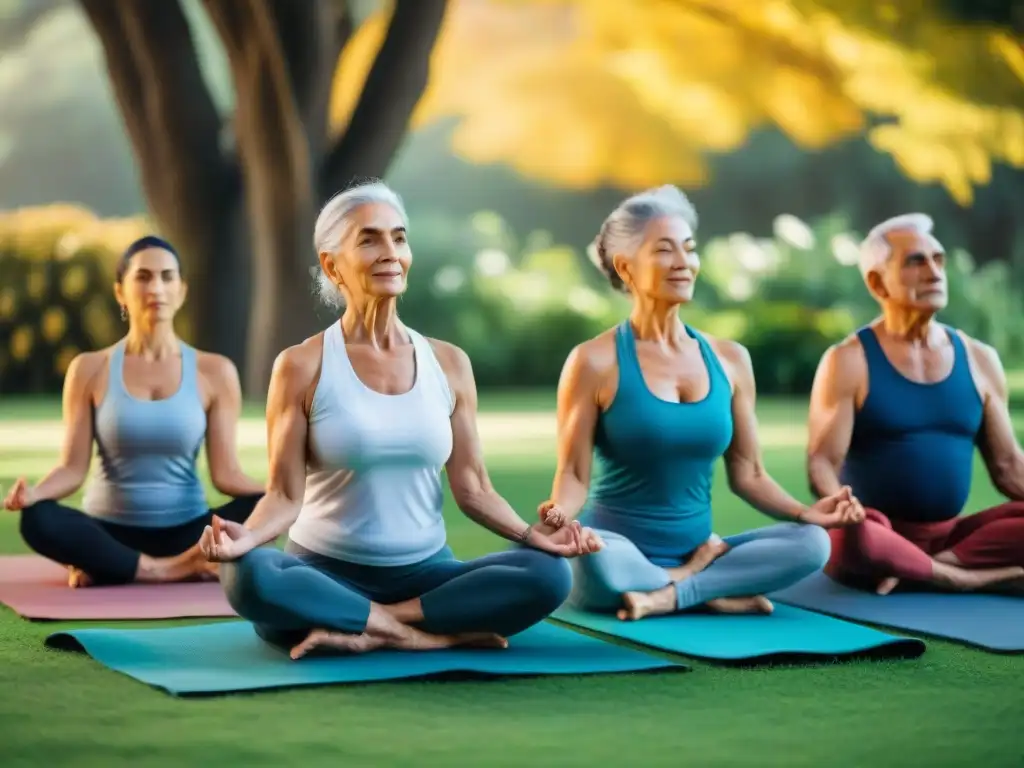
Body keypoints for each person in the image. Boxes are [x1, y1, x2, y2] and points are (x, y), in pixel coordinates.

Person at [200, 180, 602, 660]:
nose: (390, 251)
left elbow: (473, 486)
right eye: (369, 239)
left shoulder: (449, 364)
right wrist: (247, 537)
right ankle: (424, 634)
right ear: (332, 265)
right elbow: (285, 495)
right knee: (249, 575)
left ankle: (371, 625)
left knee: (549, 574)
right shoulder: (302, 365)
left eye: (399, 236)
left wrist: (528, 535)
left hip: (425, 576)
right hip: (323, 574)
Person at [535, 185, 863, 622]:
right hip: (619, 552)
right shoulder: (594, 361)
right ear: (626, 267)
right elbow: (574, 475)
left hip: (701, 545)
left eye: (689, 249)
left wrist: (806, 512)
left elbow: (749, 473)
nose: (684, 262)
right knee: (597, 561)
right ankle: (703, 584)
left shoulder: (730, 360)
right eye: (665, 250)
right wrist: (556, 518)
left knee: (813, 543)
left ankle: (670, 592)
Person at [3, 236, 265, 587]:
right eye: (143, 277)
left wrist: (277, 494)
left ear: (182, 290)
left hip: (187, 533)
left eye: (167, 277)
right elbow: (71, 468)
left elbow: (227, 473)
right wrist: (34, 495)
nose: (156, 286)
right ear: (120, 291)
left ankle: (116, 568)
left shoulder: (215, 371)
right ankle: (168, 568)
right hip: (108, 532)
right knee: (37, 518)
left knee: (264, 508)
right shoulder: (90, 369)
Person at [807, 213, 1024, 596]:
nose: (934, 271)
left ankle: (926, 568)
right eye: (915, 261)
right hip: (875, 531)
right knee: (852, 536)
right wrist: (842, 508)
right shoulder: (848, 360)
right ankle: (964, 578)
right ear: (877, 282)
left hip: (952, 537)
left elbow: (1008, 467)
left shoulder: (981, 359)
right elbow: (822, 463)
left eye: (938, 259)